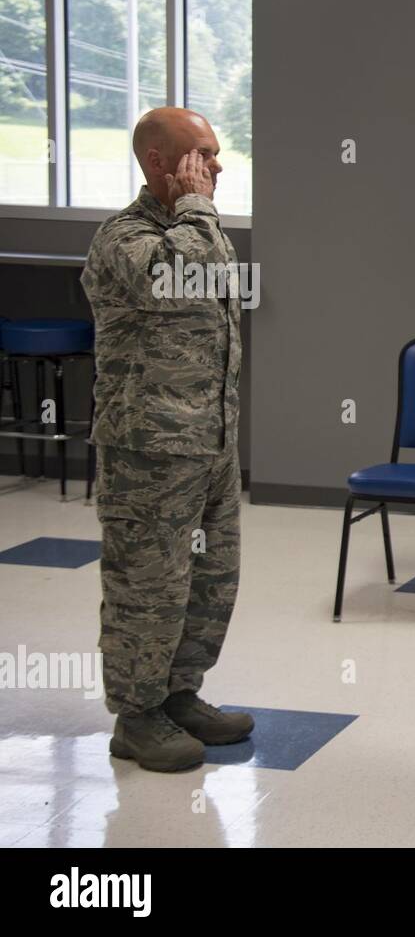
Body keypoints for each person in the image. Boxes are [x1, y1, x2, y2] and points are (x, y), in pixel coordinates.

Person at [81, 107, 253, 772]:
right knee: (147, 584)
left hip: (208, 442)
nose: (214, 168)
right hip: (147, 449)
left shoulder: (193, 227)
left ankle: (179, 693)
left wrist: (196, 214)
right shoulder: (125, 238)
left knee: (209, 579)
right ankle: (136, 713)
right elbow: (170, 278)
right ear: (158, 162)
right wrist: (199, 212)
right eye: (201, 156)